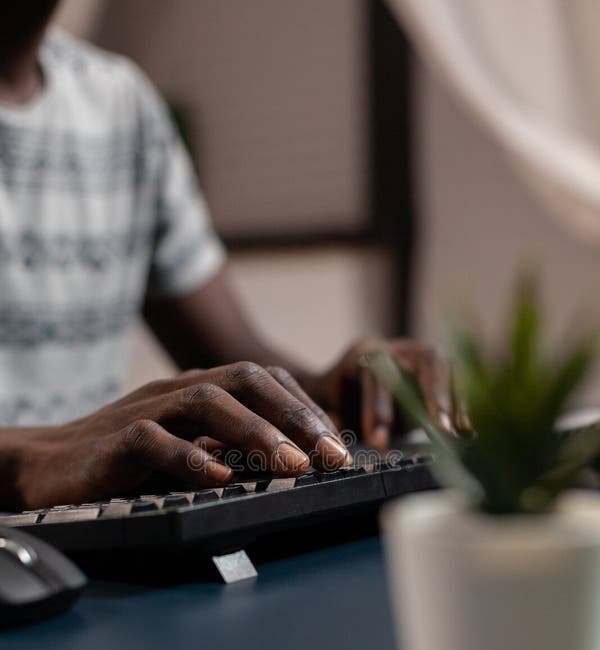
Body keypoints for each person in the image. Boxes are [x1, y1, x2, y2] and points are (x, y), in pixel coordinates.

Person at [0, 1, 446, 512]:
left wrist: (335, 395)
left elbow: (231, 355)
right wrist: (34, 458)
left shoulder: (120, 103)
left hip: (89, 542)